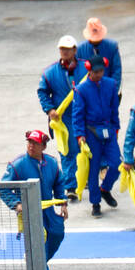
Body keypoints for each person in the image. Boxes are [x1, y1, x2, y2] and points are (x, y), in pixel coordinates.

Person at [0, 129, 68, 270]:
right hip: (30, 213)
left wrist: (63, 202)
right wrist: (17, 204)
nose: (31, 146)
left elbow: (59, 183)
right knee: (39, 246)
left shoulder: (51, 163)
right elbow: (3, 188)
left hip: (48, 211)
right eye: (29, 142)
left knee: (57, 234)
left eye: (35, 143)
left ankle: (36, 261)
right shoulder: (17, 165)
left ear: (43, 146)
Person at [72, 55, 120, 217]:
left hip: (108, 130)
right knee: (93, 170)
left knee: (117, 164)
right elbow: (77, 114)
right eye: (96, 72)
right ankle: (95, 202)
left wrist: (116, 128)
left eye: (101, 71)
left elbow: (114, 108)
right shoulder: (81, 89)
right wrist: (80, 135)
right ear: (89, 71)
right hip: (91, 133)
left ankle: (105, 188)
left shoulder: (111, 84)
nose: (99, 74)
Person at [38, 35, 83, 201]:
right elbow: (42, 92)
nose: (64, 51)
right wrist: (50, 110)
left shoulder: (86, 68)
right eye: (62, 49)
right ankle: (70, 186)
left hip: (84, 116)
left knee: (86, 149)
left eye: (67, 49)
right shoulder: (50, 72)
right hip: (63, 119)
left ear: (75, 50)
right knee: (67, 151)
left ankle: (84, 178)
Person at [76, 17, 122, 92]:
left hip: (108, 88)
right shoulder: (80, 49)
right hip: (87, 90)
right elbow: (77, 73)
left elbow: (116, 71)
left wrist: (113, 90)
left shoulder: (112, 47)